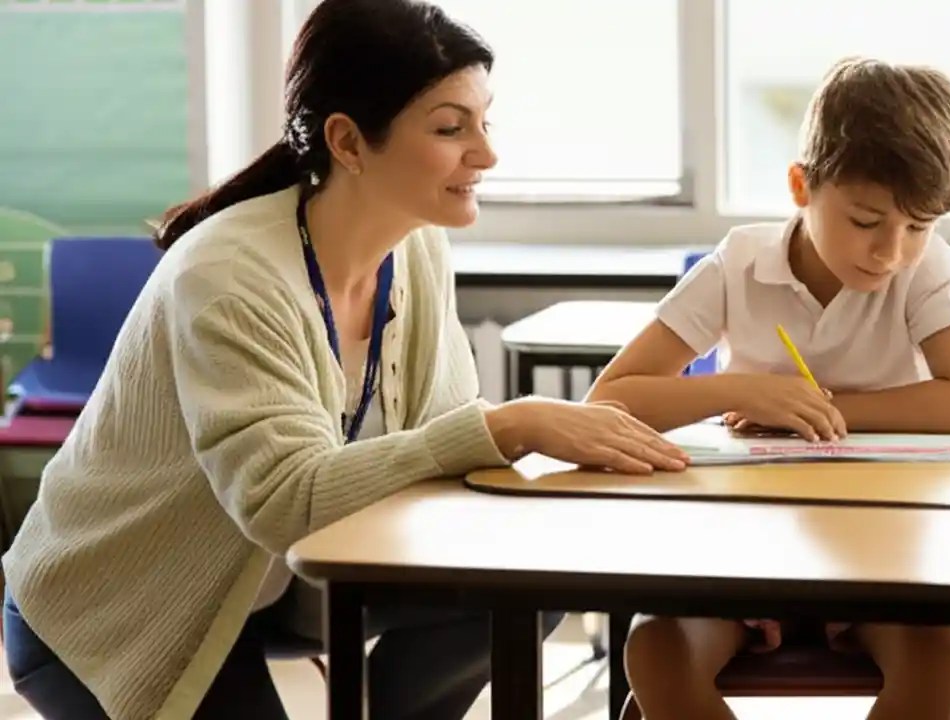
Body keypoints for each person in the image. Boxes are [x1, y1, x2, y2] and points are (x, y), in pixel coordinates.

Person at [1, 1, 688, 718]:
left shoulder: (416, 246)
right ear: (349, 142)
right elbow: (284, 502)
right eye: (452, 128)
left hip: (270, 588)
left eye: (486, 122)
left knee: (531, 583)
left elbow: (444, 455)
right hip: (119, 607)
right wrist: (509, 426)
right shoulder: (228, 274)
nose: (485, 154)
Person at [587, 57, 950, 720]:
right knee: (656, 647)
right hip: (748, 550)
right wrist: (744, 391)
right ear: (800, 186)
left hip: (884, 548)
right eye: (866, 221)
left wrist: (827, 409)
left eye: (918, 227)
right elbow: (610, 401)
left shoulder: (926, 270)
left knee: (940, 650)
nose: (889, 252)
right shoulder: (740, 264)